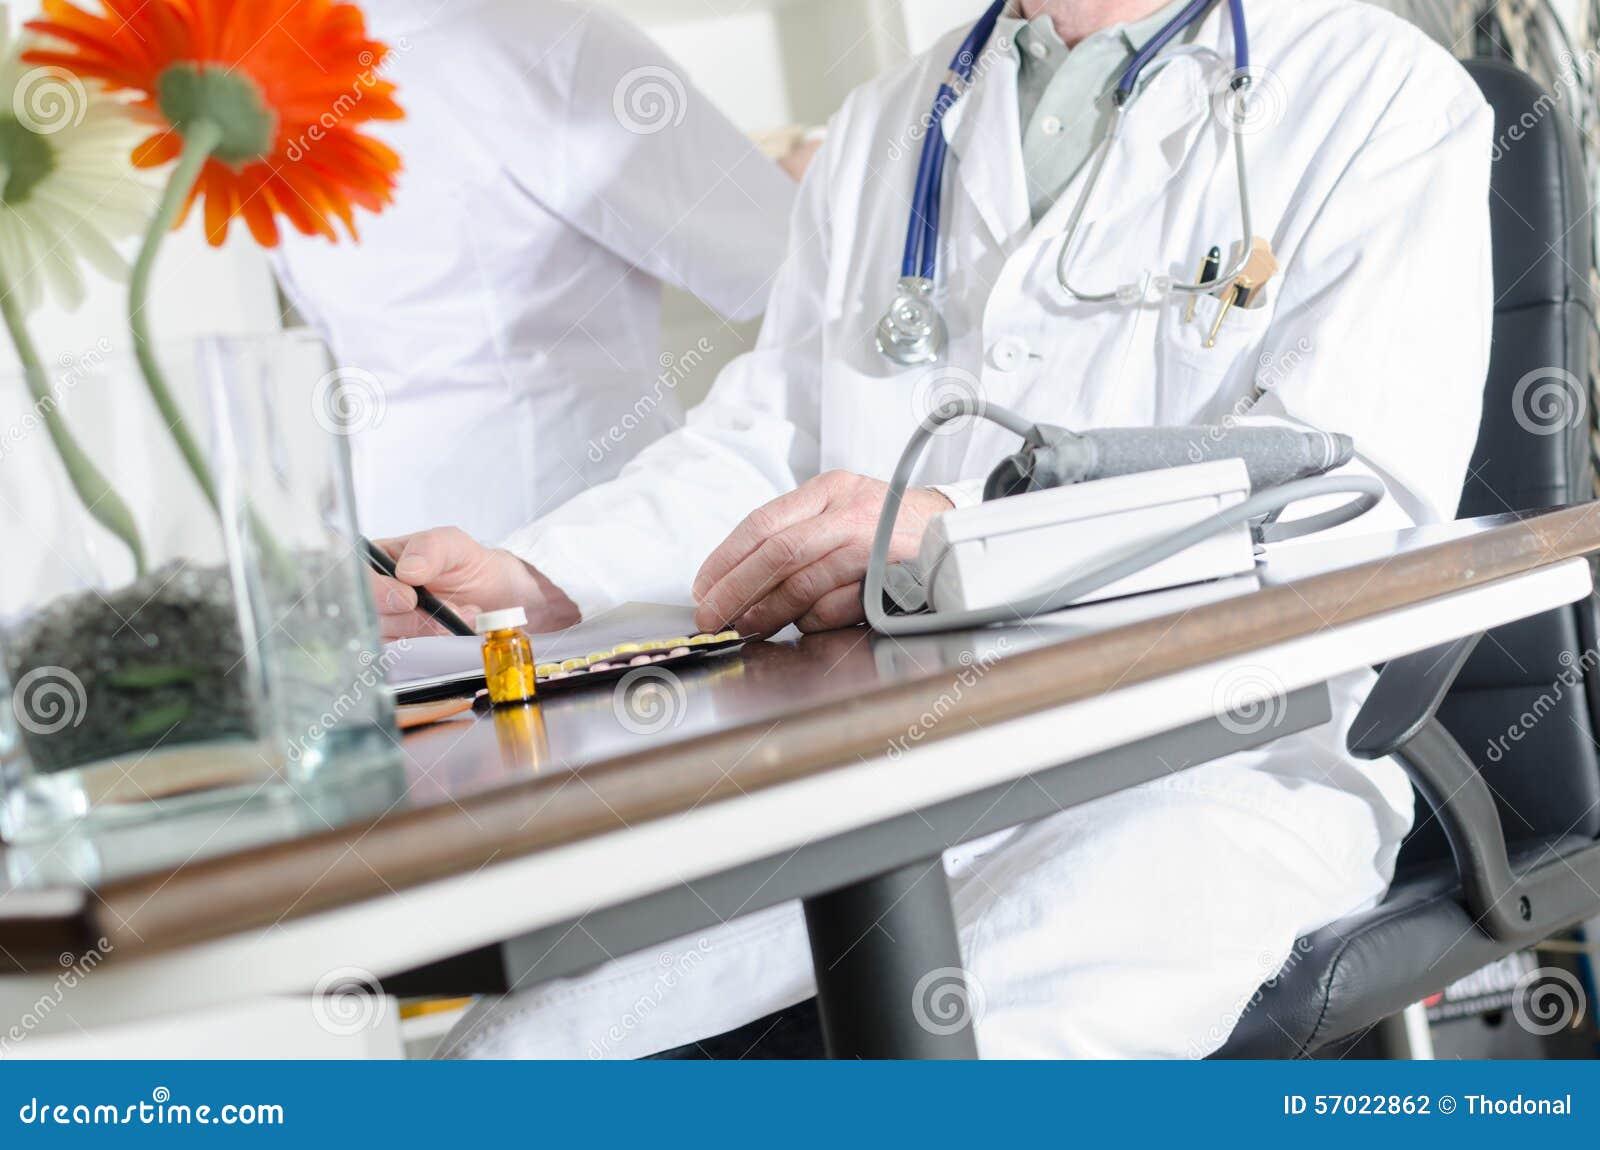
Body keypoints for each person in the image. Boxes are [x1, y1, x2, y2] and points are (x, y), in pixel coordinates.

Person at [375, 0, 1493, 1057]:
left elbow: (1346, 501)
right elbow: (772, 438)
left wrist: (963, 533)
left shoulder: (1376, 93)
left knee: (976, 1061)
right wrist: (540, 572)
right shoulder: (890, 123)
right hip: (885, 774)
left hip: (1210, 765)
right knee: (514, 1054)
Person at [273, 0, 798, 543]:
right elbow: (779, 260)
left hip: (386, 546)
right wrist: (812, 164)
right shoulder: (546, 37)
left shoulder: (279, 61)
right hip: (584, 540)